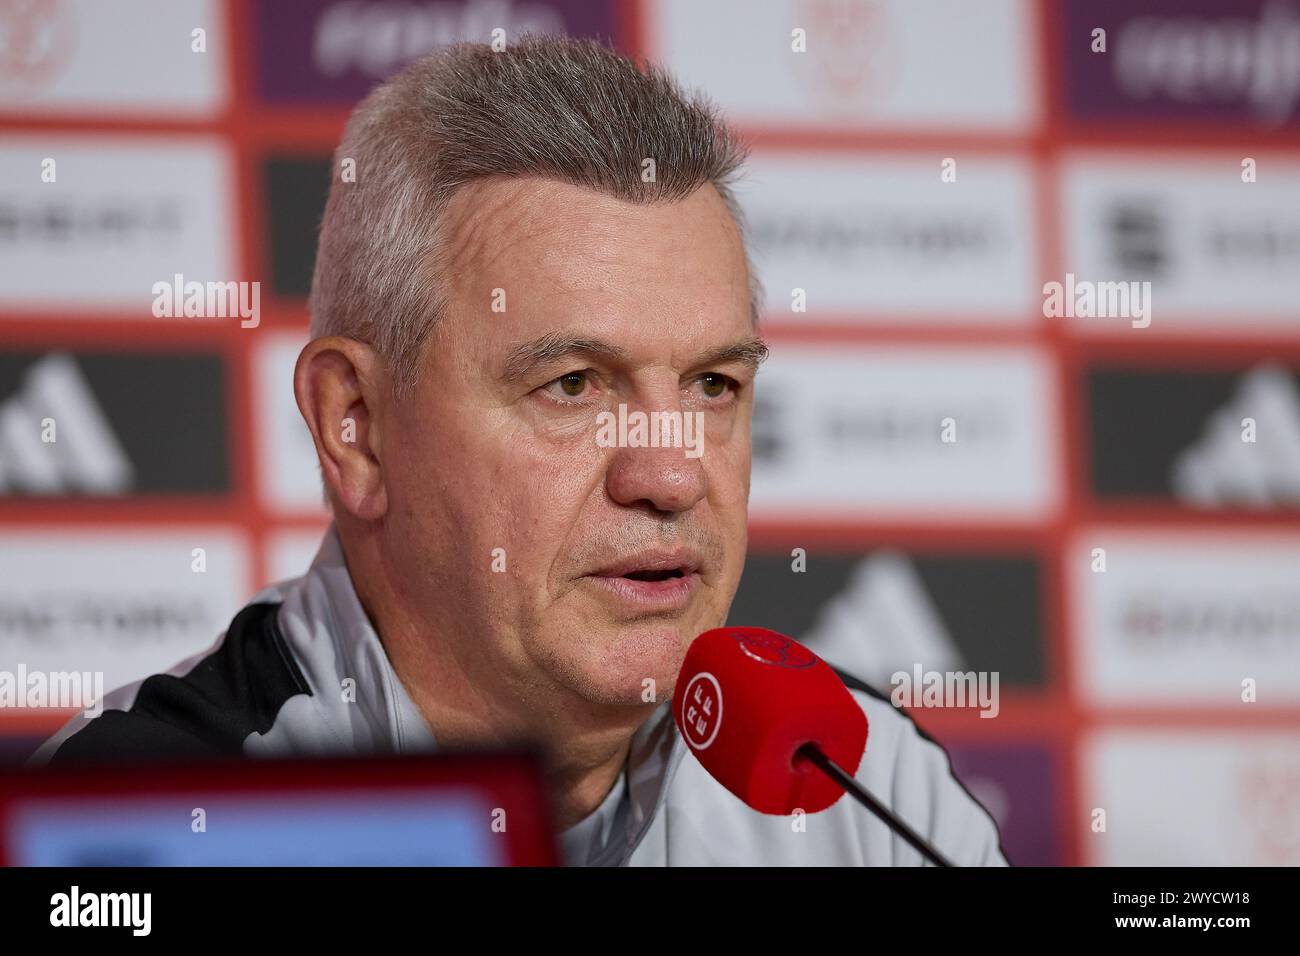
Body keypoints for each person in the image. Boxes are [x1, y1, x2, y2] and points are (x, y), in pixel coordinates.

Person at [32, 35, 1007, 867]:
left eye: (713, 385)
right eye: (573, 386)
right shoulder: (134, 819)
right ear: (355, 426)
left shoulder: (867, 788)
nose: (670, 475)